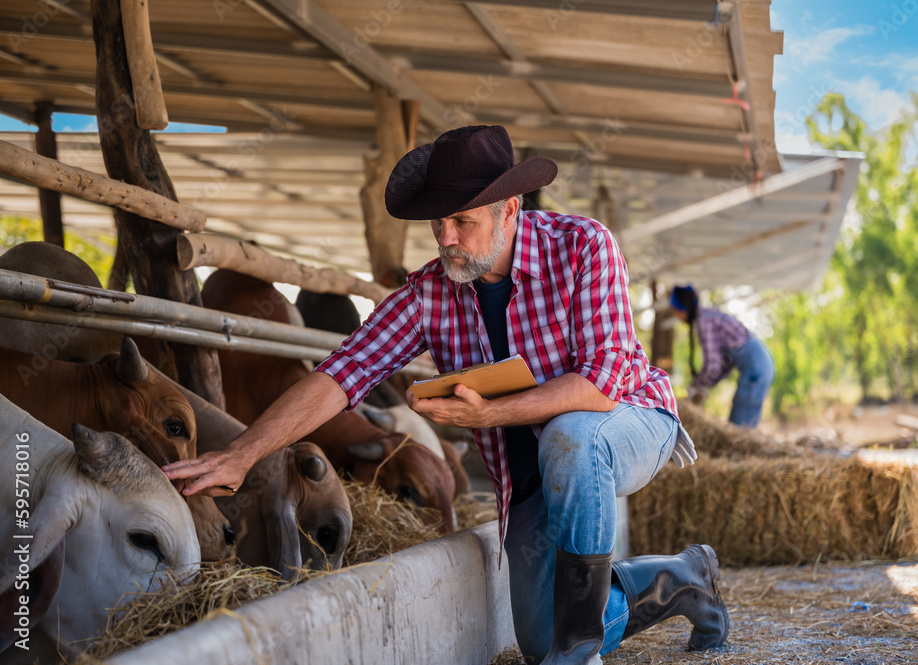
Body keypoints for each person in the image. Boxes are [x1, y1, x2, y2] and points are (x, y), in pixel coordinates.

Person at [164, 125, 728, 664]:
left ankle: (578, 654)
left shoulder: (583, 246)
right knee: (537, 640)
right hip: (530, 470)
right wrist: (242, 453)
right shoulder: (431, 292)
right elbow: (343, 371)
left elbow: (600, 382)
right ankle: (680, 579)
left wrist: (489, 413)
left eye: (463, 220)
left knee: (571, 437)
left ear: (510, 210)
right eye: (439, 223)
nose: (447, 238)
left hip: (626, 422)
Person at [670, 285, 775, 428]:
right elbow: (724, 364)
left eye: (675, 310)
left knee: (740, 426)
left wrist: (696, 385)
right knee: (745, 419)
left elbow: (712, 367)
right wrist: (706, 383)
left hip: (755, 367)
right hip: (762, 363)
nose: (676, 315)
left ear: (682, 307)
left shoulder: (704, 322)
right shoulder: (708, 316)